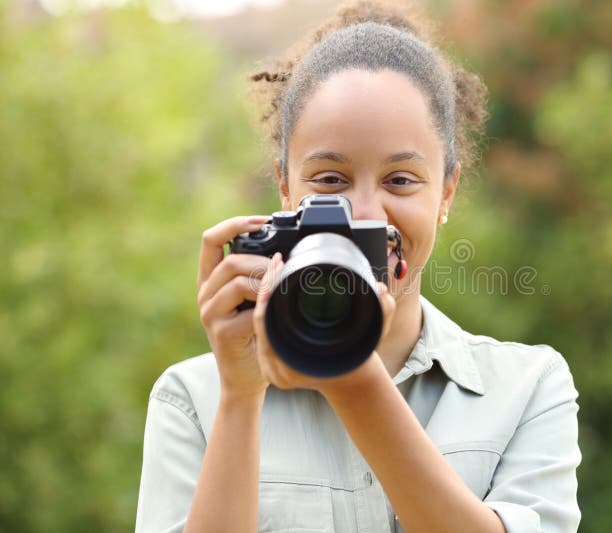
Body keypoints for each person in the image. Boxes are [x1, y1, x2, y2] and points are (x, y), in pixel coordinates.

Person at [135, 2, 581, 532]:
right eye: (330, 180)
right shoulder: (193, 400)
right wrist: (239, 396)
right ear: (284, 189)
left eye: (400, 180)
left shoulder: (527, 388)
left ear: (446, 192)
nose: (365, 213)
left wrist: (353, 381)